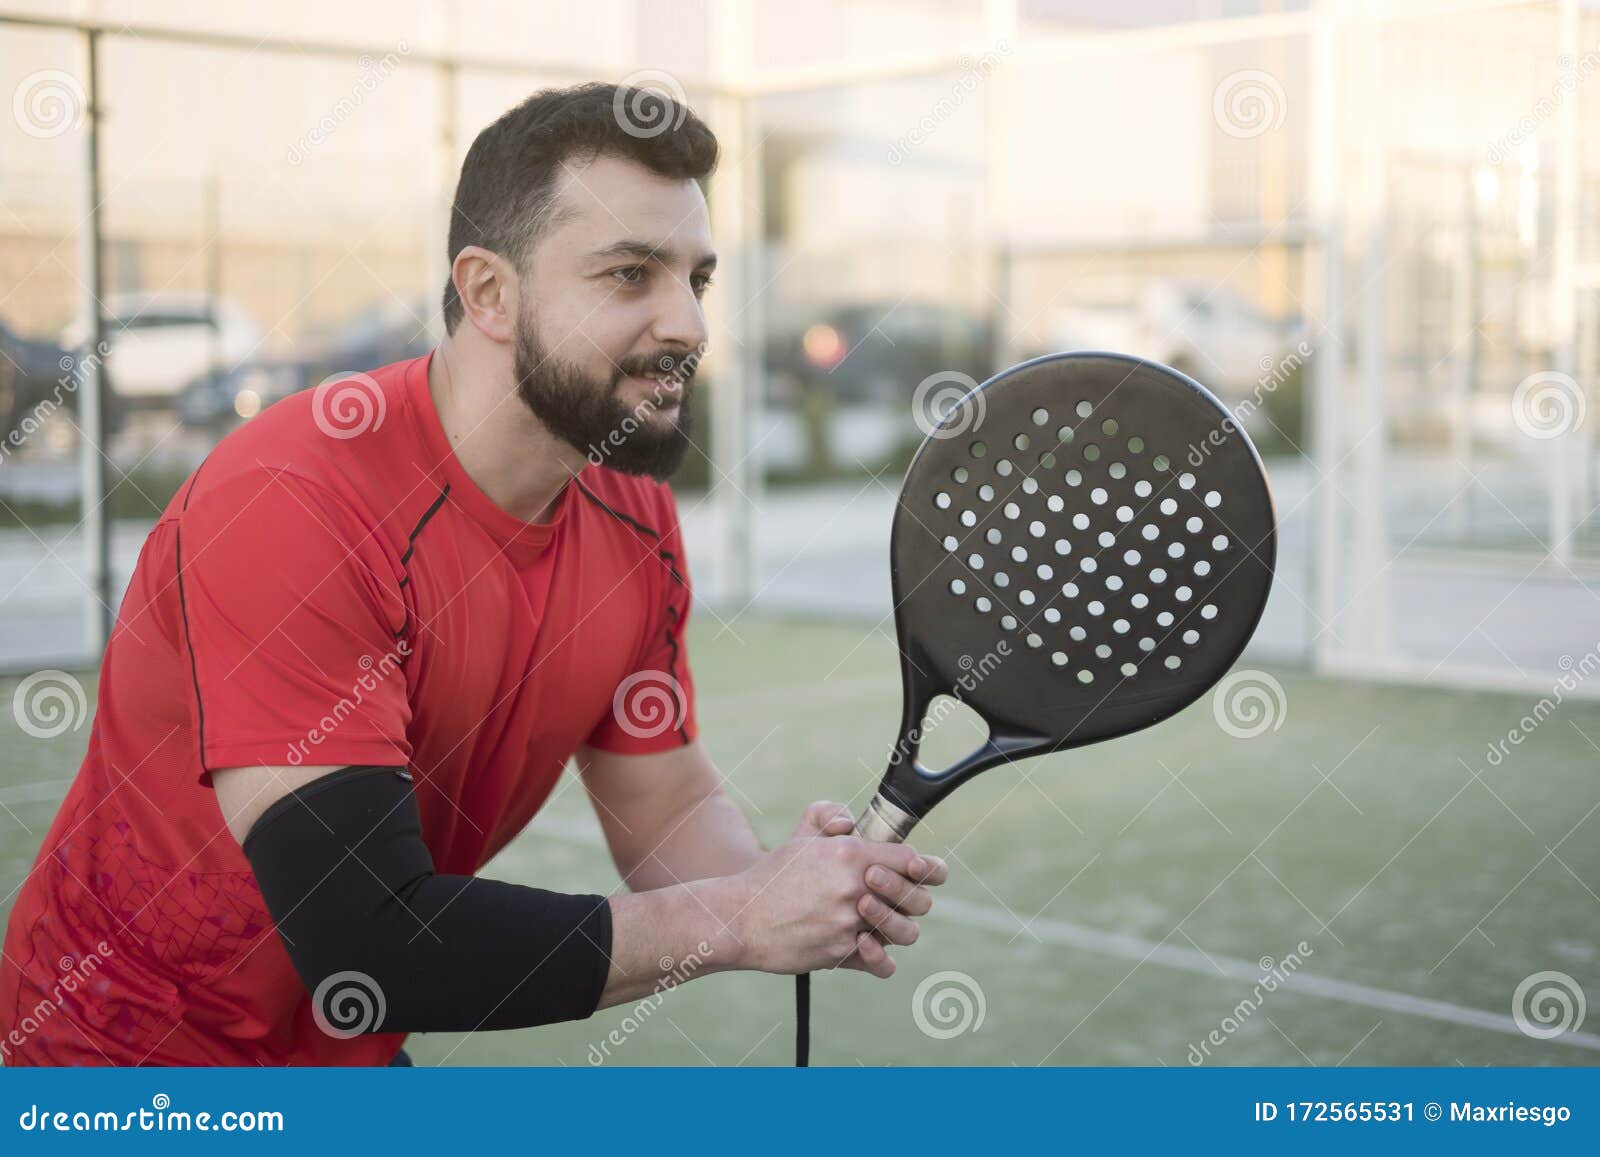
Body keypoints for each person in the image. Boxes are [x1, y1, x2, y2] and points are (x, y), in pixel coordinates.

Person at [0, 82, 946, 1066]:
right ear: (488, 292)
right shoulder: (292, 502)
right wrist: (738, 915)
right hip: (112, 1061)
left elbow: (662, 802)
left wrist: (781, 882)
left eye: (695, 278)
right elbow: (367, 942)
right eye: (630, 275)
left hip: (345, 1056)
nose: (688, 324)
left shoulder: (632, 511)